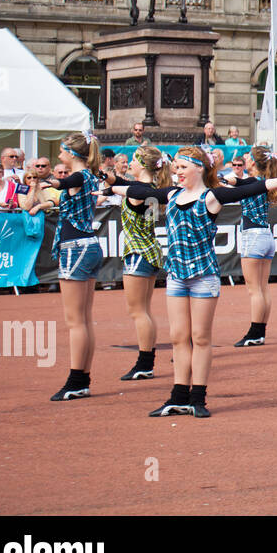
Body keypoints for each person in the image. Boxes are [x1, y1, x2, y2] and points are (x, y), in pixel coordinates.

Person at [111, 148, 277, 418]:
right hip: (176, 278)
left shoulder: (211, 196)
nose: (177, 172)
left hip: (204, 277)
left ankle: (198, 397)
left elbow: (255, 187)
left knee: (200, 338)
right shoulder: (172, 195)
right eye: (175, 167)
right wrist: (110, 184)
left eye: (182, 167)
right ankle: (178, 396)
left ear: (199, 168)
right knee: (178, 338)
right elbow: (139, 192)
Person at [41, 132, 104, 402]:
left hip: (75, 248)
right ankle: (82, 378)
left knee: (76, 321)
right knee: (84, 319)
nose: (59, 155)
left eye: (63, 150)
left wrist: (36, 175)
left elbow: (61, 182)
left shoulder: (80, 176)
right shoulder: (88, 176)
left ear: (73, 153)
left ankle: (77, 379)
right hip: (86, 244)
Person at [110, 145, 172, 382]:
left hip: (137, 252)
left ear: (142, 164)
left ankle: (145, 363)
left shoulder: (137, 190)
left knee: (138, 312)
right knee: (143, 311)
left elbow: (122, 188)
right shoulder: (151, 188)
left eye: (134, 160)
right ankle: (146, 362)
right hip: (149, 249)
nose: (130, 164)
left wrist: (109, 187)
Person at [231, 145, 277, 348]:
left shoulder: (253, 181)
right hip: (265, 235)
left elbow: (234, 181)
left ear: (253, 161)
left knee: (254, 290)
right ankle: (259, 331)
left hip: (253, 236)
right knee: (262, 288)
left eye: (248, 157)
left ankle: (254, 331)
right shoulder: (264, 182)